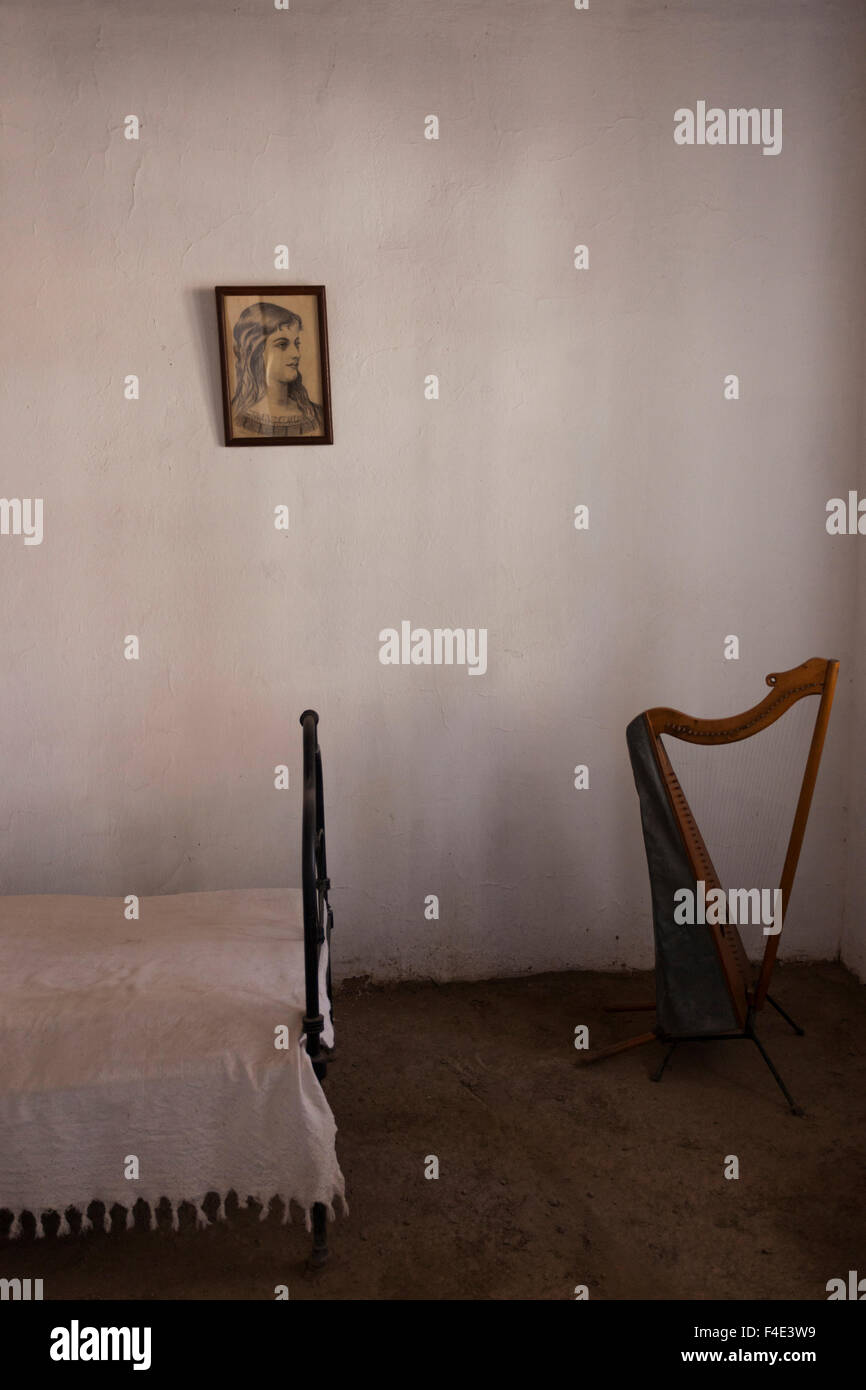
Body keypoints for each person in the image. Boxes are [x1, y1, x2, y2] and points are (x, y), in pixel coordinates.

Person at [231, 302, 324, 436]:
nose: (296, 354)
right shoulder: (235, 419)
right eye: (282, 344)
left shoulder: (317, 415)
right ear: (256, 352)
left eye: (296, 344)